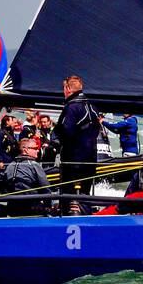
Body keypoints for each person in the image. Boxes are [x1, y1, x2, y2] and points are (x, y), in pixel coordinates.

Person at [55, 75, 100, 214]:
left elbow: (65, 131)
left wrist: (56, 143)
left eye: (64, 88)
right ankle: (85, 215)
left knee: (67, 194)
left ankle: (67, 218)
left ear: (68, 88)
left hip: (72, 161)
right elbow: (96, 130)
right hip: (90, 160)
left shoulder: (71, 107)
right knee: (85, 194)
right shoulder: (92, 106)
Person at [2, 135, 52, 216]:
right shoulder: (34, 165)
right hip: (31, 207)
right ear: (25, 150)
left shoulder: (10, 165)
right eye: (35, 148)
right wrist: (48, 206)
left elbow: (5, 187)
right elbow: (45, 188)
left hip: (12, 208)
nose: (38, 151)